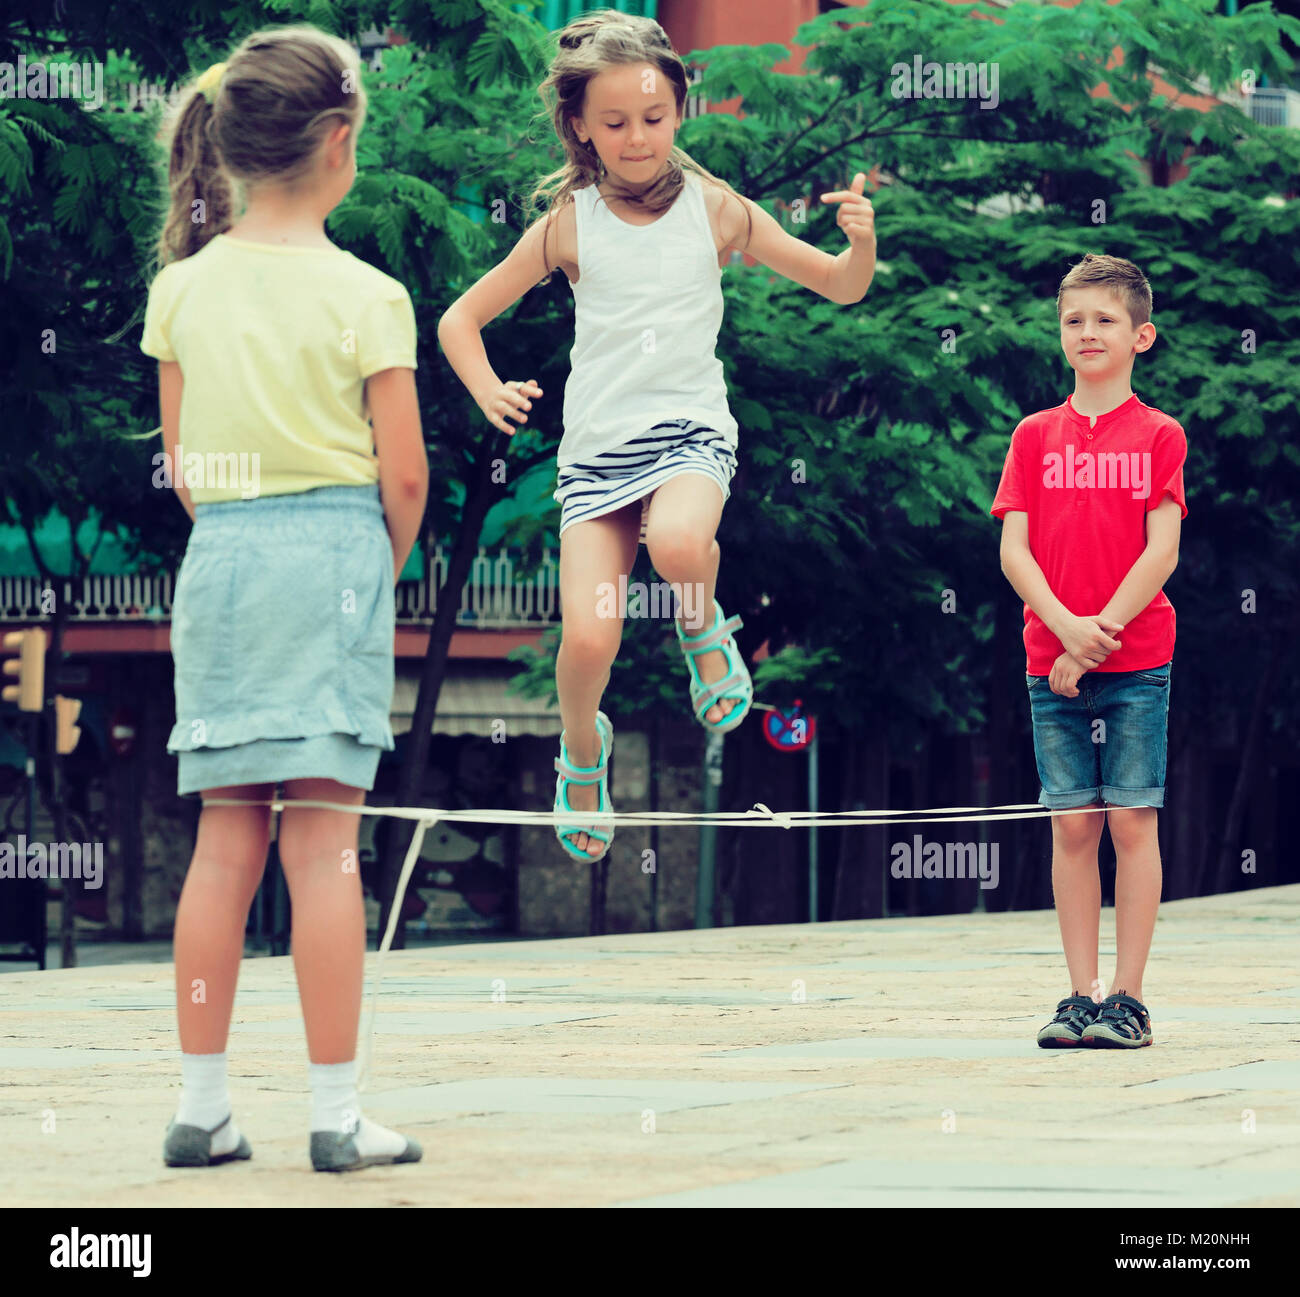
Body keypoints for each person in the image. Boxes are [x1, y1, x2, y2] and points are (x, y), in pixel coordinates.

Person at [437, 8, 876, 861]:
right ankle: (581, 749)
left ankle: (704, 627)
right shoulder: (569, 223)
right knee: (589, 639)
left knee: (679, 545)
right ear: (579, 127)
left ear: (679, 112)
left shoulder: (717, 210)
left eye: (653, 118)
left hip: (689, 435)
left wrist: (858, 245)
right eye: (614, 123)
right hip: (597, 456)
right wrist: (489, 388)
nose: (636, 138)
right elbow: (461, 319)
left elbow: (839, 286)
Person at [140, 25, 428, 1170]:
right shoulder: (369, 292)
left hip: (225, 563)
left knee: (224, 842)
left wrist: (241, 540)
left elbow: (181, 467)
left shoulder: (180, 288)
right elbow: (401, 472)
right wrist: (375, 561)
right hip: (336, 555)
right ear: (340, 139)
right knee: (323, 850)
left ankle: (202, 1106)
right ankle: (335, 1110)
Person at [991, 253, 1188, 1049]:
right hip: (1051, 661)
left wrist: (1095, 633)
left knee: (1133, 818)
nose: (1088, 332)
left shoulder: (1160, 435)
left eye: (1106, 319)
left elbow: (1162, 551)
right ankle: (1079, 995)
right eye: (1075, 319)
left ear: (1142, 334)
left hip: (1137, 661)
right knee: (1073, 826)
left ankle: (1130, 998)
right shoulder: (1034, 435)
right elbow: (1015, 552)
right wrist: (1064, 634)